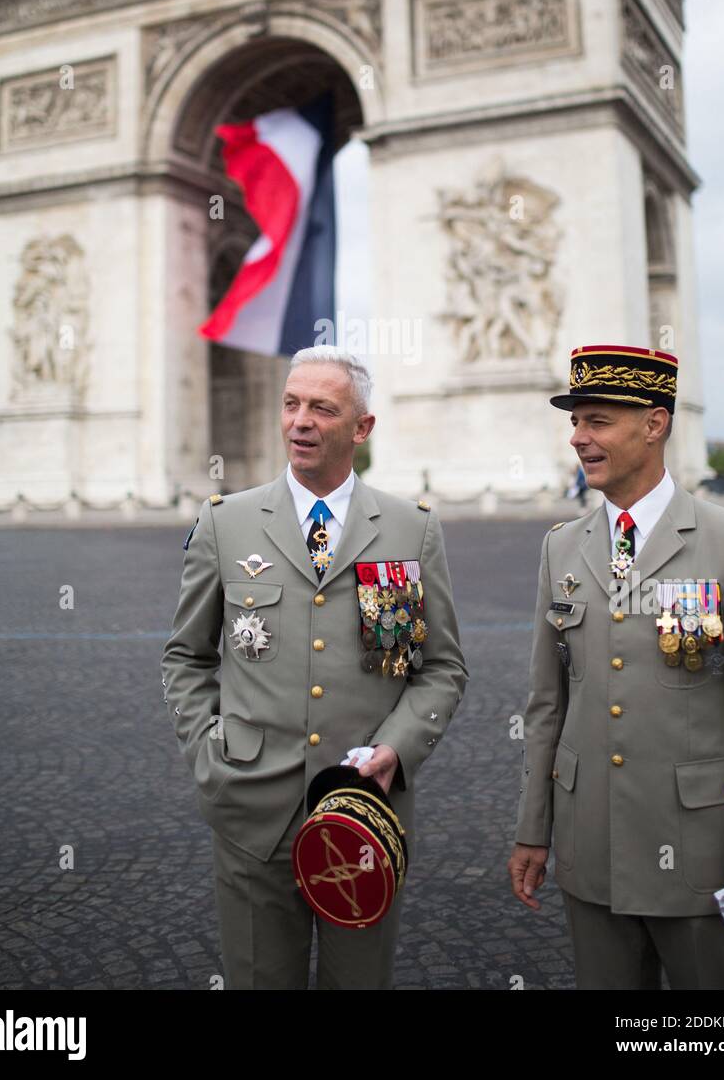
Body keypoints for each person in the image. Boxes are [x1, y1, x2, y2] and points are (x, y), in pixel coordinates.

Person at [161, 345, 467, 989]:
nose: (300, 421)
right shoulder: (226, 523)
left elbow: (438, 668)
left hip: (365, 813)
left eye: (322, 408)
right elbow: (186, 657)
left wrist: (398, 748)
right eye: (291, 404)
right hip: (250, 805)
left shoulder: (411, 530)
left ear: (362, 428)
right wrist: (206, 751)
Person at [508, 343, 724, 990]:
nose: (579, 439)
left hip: (701, 857)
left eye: (598, 420)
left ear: (655, 422)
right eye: (575, 422)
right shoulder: (561, 548)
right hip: (592, 856)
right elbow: (546, 705)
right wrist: (533, 833)